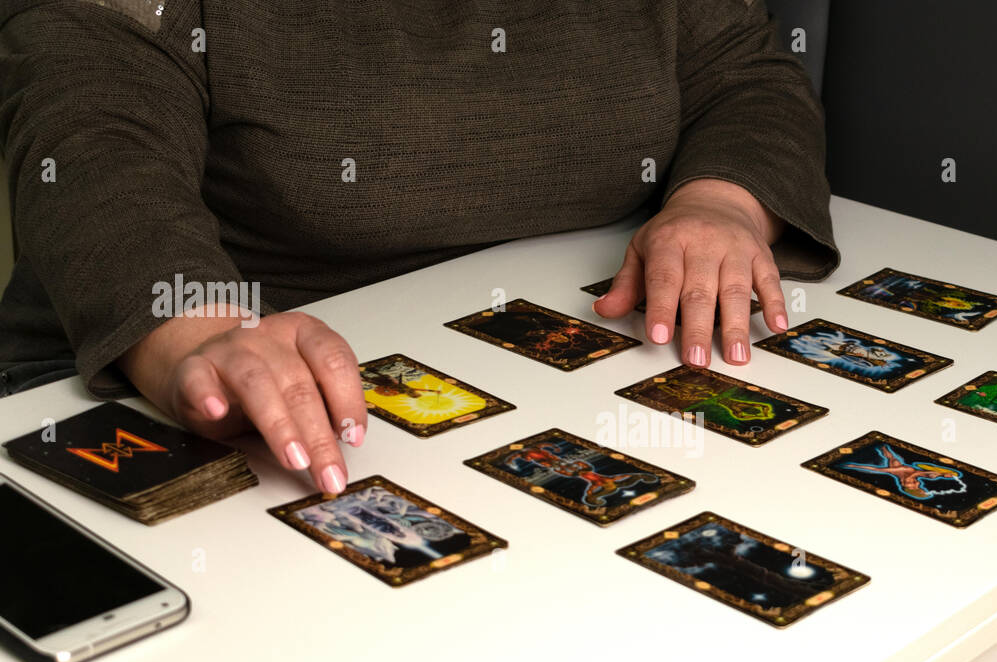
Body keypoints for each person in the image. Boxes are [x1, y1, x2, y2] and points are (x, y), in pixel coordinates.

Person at [0, 0, 838, 495]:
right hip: (198, 375)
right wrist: (199, 329)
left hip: (561, 381)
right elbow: (95, 131)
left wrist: (721, 202)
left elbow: (745, 73)